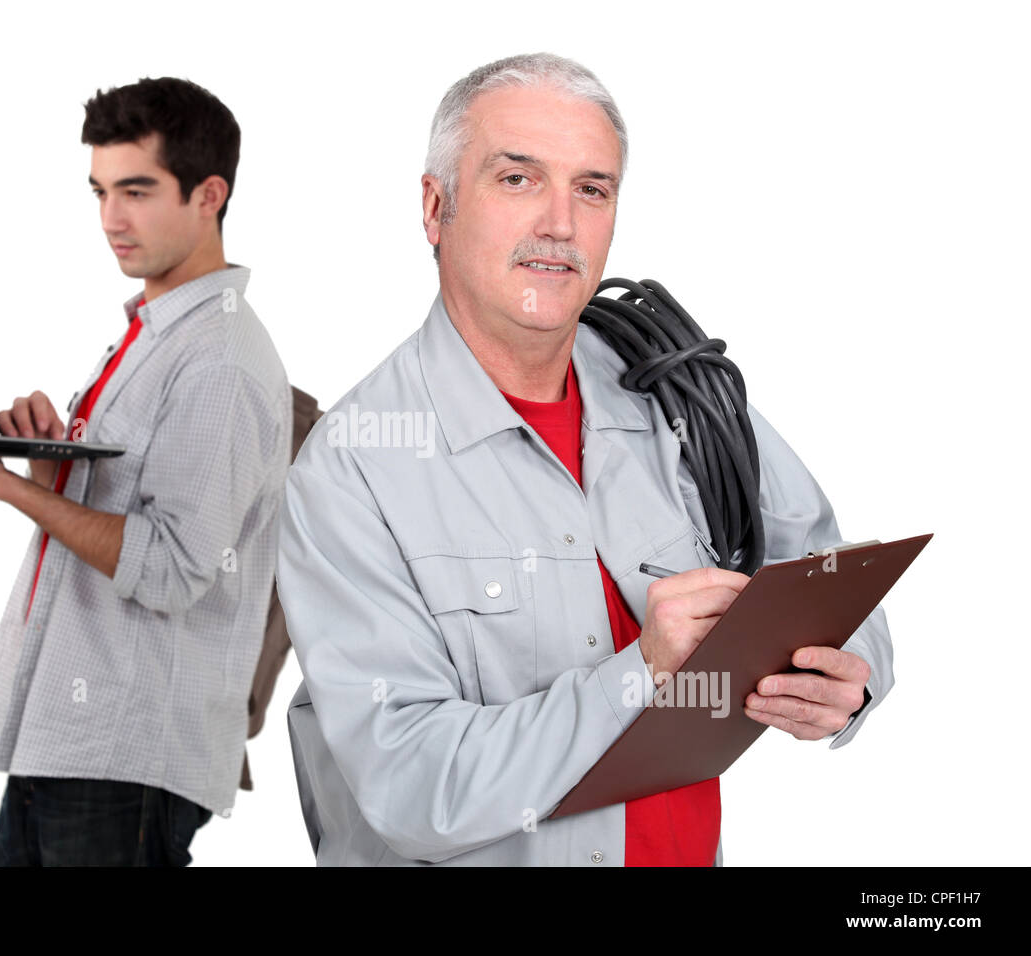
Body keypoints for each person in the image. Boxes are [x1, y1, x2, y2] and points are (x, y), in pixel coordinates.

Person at [275, 53, 891, 866]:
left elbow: (828, 571)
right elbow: (413, 784)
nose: (561, 223)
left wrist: (848, 680)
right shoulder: (352, 472)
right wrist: (641, 673)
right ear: (435, 206)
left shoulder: (679, 393)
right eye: (519, 179)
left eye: (592, 189)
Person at [0, 76, 291, 866]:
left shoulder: (220, 361)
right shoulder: (154, 333)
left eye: (137, 190)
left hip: (127, 758)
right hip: (67, 744)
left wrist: (11, 487)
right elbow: (124, 510)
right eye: (99, 191)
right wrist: (48, 460)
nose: (111, 219)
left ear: (209, 195)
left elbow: (172, 569)